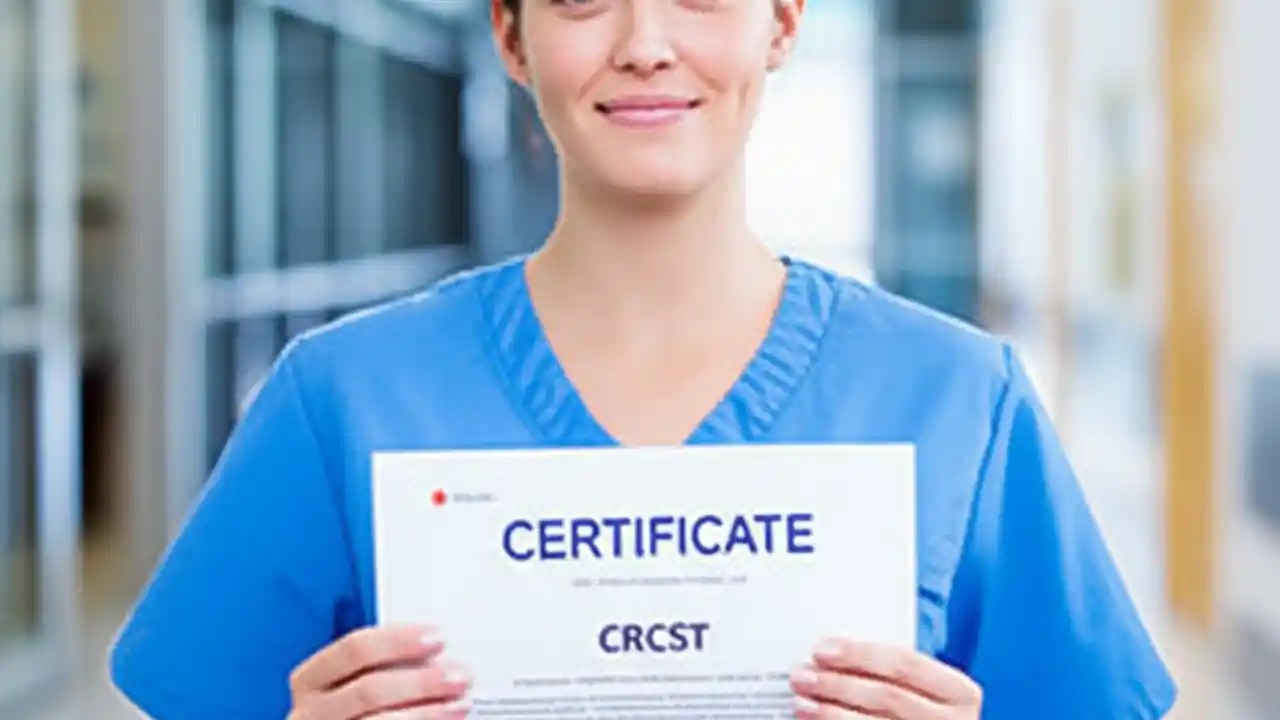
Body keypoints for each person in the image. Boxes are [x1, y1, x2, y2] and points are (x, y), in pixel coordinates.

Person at [108, 0, 1178, 718]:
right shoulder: (340, 400)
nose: (645, 42)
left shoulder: (957, 399)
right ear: (511, 38)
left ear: (783, 20)